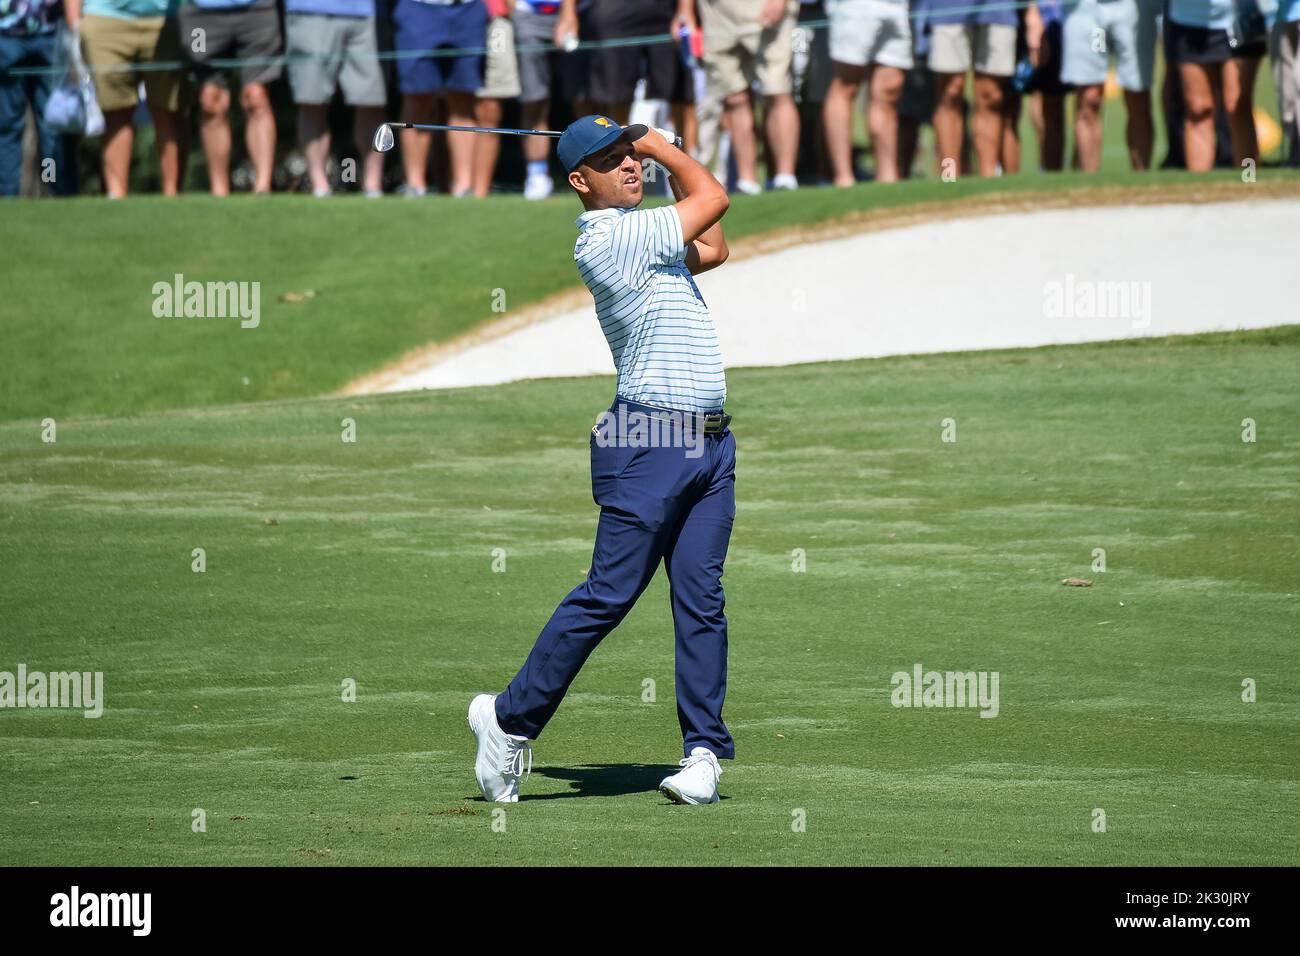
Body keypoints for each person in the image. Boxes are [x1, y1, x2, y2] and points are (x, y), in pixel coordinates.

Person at [468, 115, 736, 806]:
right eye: (612, 159)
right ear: (578, 180)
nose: (630, 167)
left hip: (709, 444)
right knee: (610, 594)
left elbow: (715, 243)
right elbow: (714, 199)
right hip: (649, 441)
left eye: (630, 155)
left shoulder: (648, 234)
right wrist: (658, 144)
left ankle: (702, 753)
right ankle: (507, 719)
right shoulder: (610, 238)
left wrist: (655, 157)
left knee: (701, 599)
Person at [676, 0, 800, 191]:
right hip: (717, 15)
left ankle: (785, 177)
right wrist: (685, 10)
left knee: (777, 92)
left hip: (764, 9)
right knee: (734, 98)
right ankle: (747, 181)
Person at [68, 0, 185, 197]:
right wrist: (74, 23)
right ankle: (117, 197)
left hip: (166, 18)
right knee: (115, 112)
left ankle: (172, 197)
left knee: (168, 109)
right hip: (104, 16)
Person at [558, 0, 696, 152]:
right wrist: (568, 13)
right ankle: (619, 159)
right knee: (616, 96)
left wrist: (685, 8)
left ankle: (687, 165)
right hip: (614, 9)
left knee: (681, 95)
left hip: (666, 10)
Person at [177, 0, 281, 194]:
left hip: (257, 10)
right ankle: (219, 191)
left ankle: (263, 187)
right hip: (201, 14)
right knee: (210, 99)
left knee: (257, 96)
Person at [392, 0, 487, 196]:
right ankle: (415, 185)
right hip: (419, 7)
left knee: (463, 99)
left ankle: (464, 187)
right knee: (418, 99)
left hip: (468, 9)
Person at [1057, 0, 1158, 171]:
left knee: (1137, 97)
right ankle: (1090, 185)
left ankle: (1142, 180)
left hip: (1131, 9)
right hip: (1090, 12)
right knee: (1089, 99)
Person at [1167, 0, 1266, 169]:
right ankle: (1200, 190)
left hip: (1235, 19)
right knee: (1198, 109)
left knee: (1236, 105)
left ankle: (1249, 180)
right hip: (1187, 21)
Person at [823, 0, 913, 185]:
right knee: (847, 84)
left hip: (896, 7)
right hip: (856, 5)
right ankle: (843, 177)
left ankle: (887, 177)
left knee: (890, 87)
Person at [926, 0, 1017, 176]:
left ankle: (988, 177)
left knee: (991, 95)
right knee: (950, 93)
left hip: (997, 8)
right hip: (948, 8)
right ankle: (949, 176)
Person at [514, 0, 589, 199]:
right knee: (534, 99)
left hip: (579, 12)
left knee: (581, 97)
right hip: (529, 12)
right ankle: (536, 173)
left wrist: (569, 11)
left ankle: (593, 168)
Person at [0, 0, 75, 196]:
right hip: (6, 36)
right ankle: (8, 199)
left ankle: (53, 188)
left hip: (49, 33)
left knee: (52, 126)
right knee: (7, 128)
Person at [471, 1, 521, 197]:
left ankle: (478, 194)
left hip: (496, 18)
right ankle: (457, 188)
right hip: (445, 13)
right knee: (453, 104)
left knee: (489, 107)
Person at [1024, 0, 1069, 171]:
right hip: (1044, 24)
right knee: (1045, 99)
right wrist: (1034, 11)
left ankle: (1080, 169)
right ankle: (1047, 167)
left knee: (1090, 94)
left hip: (1081, 24)